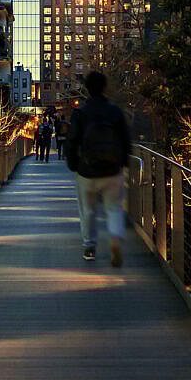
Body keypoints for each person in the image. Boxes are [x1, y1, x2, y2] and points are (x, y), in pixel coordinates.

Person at [65, 71, 130, 266]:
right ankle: (115, 240)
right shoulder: (115, 111)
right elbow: (125, 139)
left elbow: (71, 141)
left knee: (88, 210)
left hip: (87, 170)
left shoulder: (80, 113)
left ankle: (89, 247)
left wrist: (73, 164)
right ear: (104, 87)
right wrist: (123, 163)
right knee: (114, 208)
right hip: (112, 170)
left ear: (87, 88)